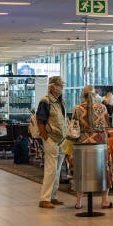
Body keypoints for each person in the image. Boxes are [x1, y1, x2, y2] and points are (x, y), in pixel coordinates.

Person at [72, 85, 113, 209]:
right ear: (95, 95)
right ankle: (104, 200)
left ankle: (79, 202)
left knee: (81, 171)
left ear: (82, 95)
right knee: (104, 170)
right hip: (100, 144)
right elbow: (107, 124)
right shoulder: (102, 108)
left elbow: (74, 126)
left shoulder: (77, 108)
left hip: (81, 144)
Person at [36, 77, 67, 209]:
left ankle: (53, 196)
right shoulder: (45, 101)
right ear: (52, 86)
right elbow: (40, 121)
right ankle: (44, 198)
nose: (61, 88)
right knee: (50, 169)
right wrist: (46, 137)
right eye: (59, 85)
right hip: (51, 139)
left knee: (57, 169)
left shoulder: (60, 102)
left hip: (61, 140)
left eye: (62, 86)